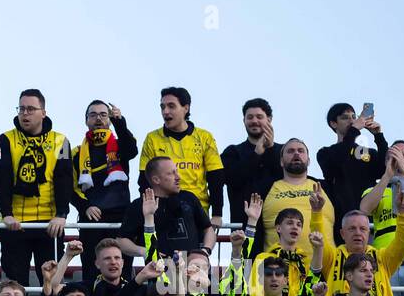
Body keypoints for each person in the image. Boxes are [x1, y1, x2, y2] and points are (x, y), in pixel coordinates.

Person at [0, 88, 71, 284]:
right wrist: (6, 213)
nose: (25, 114)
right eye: (21, 109)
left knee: (51, 281)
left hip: (49, 223)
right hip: (14, 223)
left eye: (31, 109)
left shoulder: (61, 141)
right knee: (15, 282)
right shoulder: (5, 139)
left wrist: (61, 215)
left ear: (43, 112)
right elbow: (0, 180)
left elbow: (65, 180)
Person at [71, 100, 138, 286]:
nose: (98, 118)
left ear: (109, 119)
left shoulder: (120, 145)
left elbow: (132, 149)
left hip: (121, 219)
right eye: (93, 115)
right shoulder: (76, 152)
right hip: (91, 219)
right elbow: (69, 188)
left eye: (103, 114)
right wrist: (85, 207)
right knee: (91, 273)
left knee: (122, 274)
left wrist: (120, 121)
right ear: (86, 120)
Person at [138, 87, 224, 221]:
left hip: (197, 211)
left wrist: (217, 214)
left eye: (171, 106)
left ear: (186, 108)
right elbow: (144, 180)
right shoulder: (152, 138)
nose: (165, 111)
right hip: (163, 210)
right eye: (162, 107)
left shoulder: (205, 137)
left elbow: (216, 178)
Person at [119, 158, 215, 259]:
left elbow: (208, 228)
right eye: (171, 173)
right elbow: (121, 241)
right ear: (156, 180)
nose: (178, 177)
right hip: (158, 269)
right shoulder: (140, 205)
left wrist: (205, 251)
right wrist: (144, 251)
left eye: (177, 171)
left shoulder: (189, 198)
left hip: (193, 268)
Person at [318, 103, 388, 231]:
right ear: (333, 124)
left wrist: (378, 136)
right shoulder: (325, 153)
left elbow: (384, 171)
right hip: (342, 222)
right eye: (345, 117)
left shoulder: (367, 152)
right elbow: (338, 161)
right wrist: (353, 131)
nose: (351, 120)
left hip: (369, 221)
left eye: (353, 117)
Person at [221, 98, 282, 227]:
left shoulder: (284, 151)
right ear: (244, 121)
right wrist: (256, 154)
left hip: (279, 227)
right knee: (246, 248)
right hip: (244, 227)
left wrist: (270, 149)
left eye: (259, 117)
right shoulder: (232, 152)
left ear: (269, 119)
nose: (254, 121)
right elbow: (231, 179)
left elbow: (285, 177)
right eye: (250, 117)